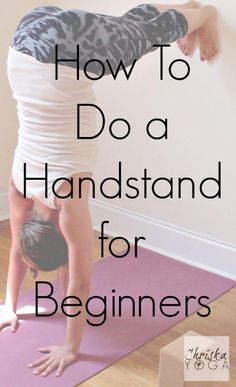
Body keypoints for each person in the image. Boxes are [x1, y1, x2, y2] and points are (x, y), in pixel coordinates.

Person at [0, 2, 219, 378]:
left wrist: (71, 348)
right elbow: (20, 248)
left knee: (143, 39)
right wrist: (9, 305)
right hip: (24, 43)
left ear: (62, 236)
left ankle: (202, 15)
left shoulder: (69, 196)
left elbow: (81, 282)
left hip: (59, 52)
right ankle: (180, 8)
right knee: (128, 32)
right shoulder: (20, 184)